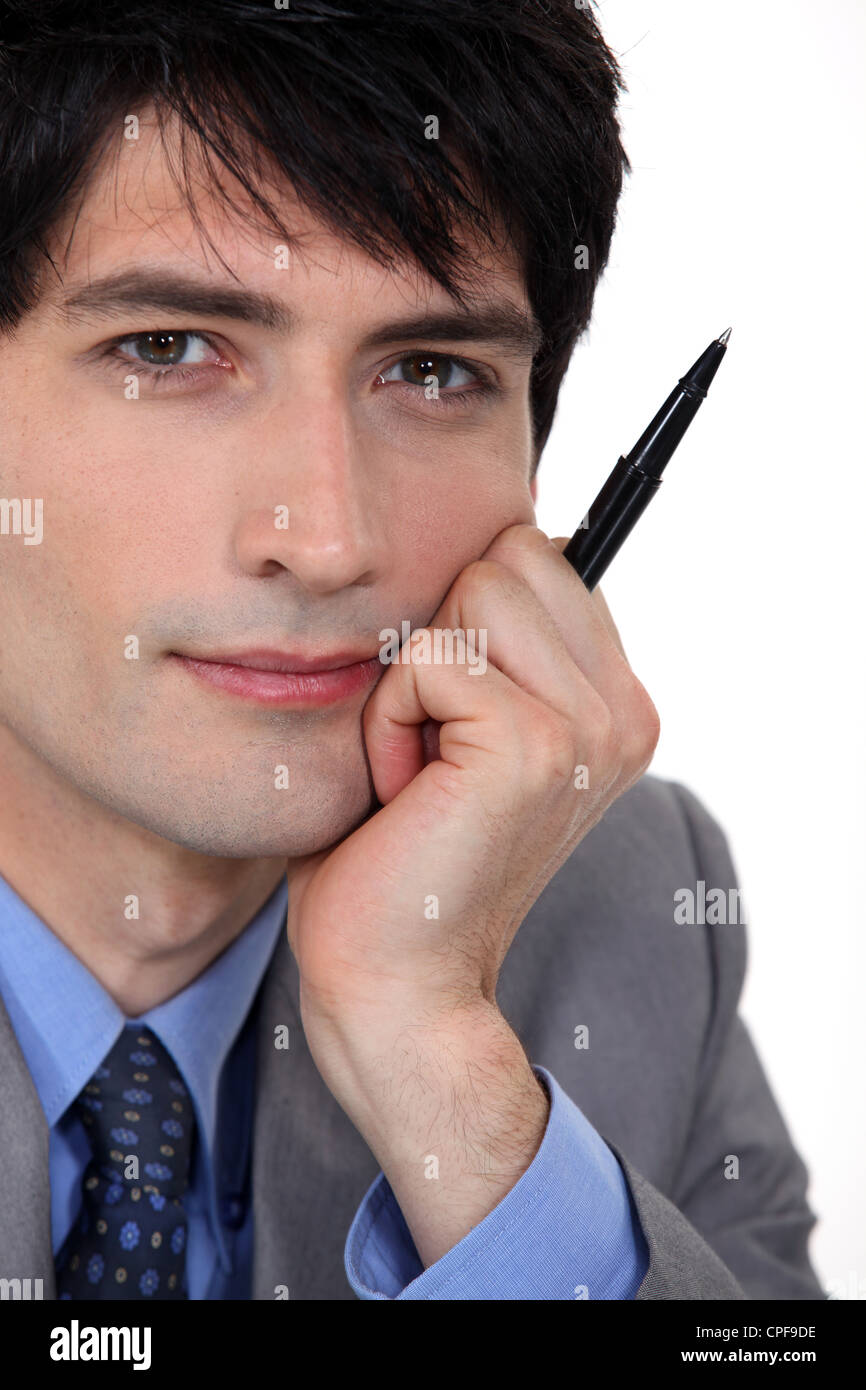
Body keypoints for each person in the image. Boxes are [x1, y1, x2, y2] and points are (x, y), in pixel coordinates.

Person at [0, 0, 824, 1301]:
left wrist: (441, 1063)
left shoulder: (629, 909)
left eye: (430, 371)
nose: (324, 540)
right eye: (166, 348)